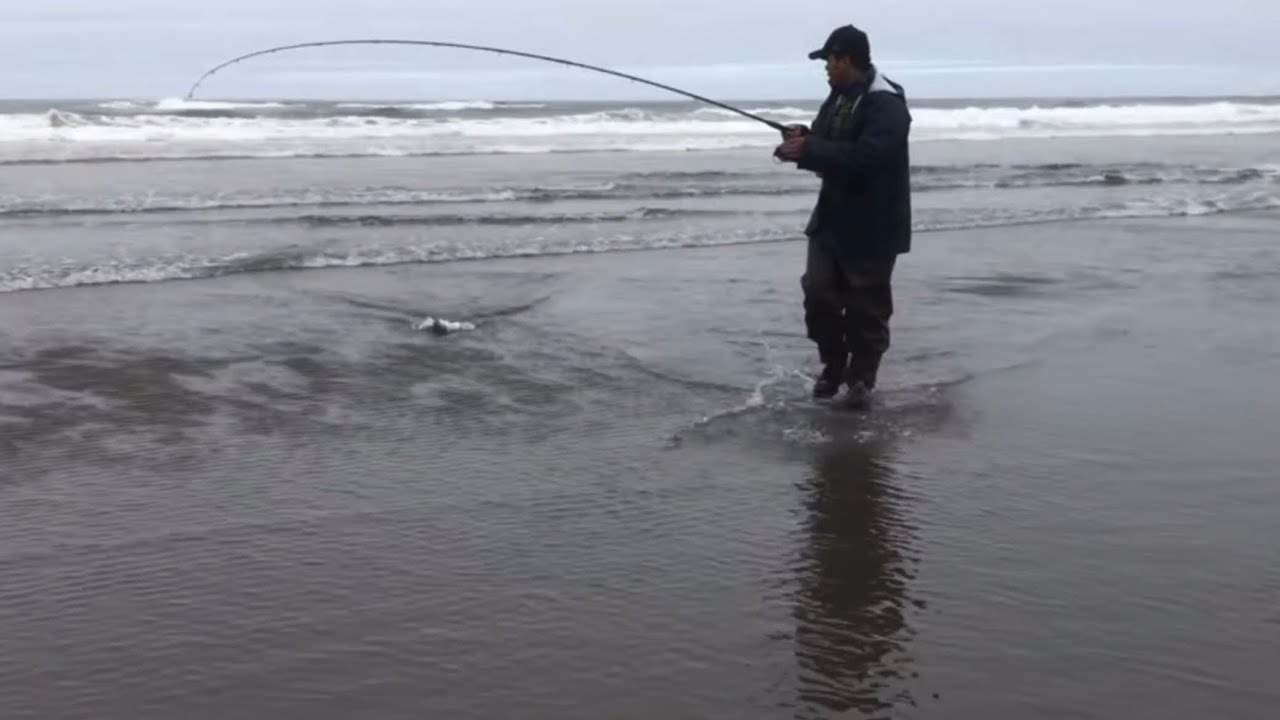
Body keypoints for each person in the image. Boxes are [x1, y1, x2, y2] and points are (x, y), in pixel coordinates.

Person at [773, 24, 913, 409]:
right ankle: (833, 365)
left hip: (874, 225)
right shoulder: (836, 97)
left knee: (867, 308)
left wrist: (812, 150)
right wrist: (802, 138)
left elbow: (870, 158)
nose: (826, 69)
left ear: (846, 59)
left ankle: (861, 379)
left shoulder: (888, 104)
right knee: (817, 293)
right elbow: (824, 140)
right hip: (831, 219)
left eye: (829, 60)